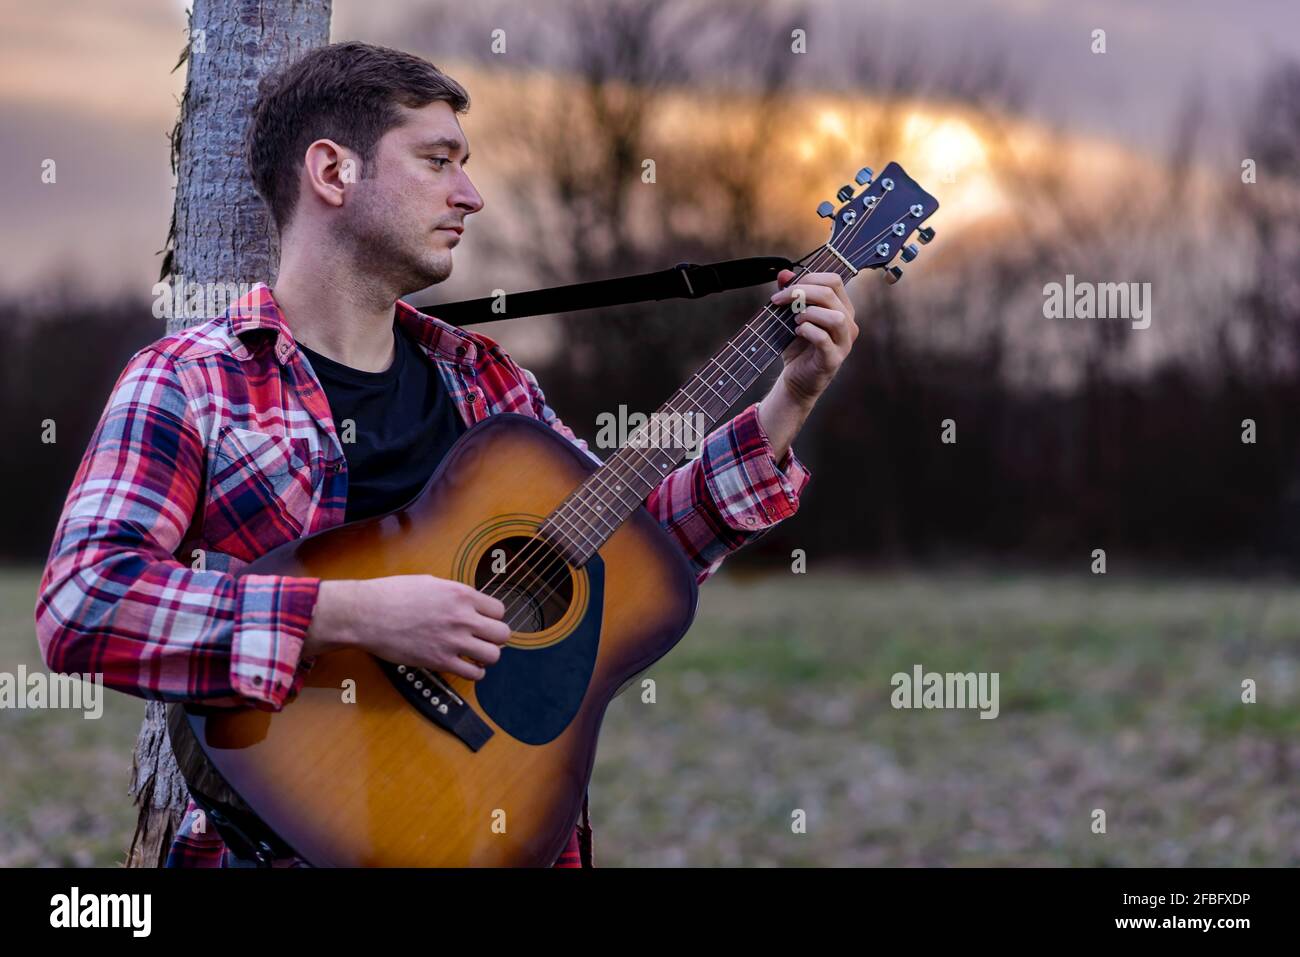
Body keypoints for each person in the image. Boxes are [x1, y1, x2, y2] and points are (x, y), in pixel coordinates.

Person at [35, 40, 857, 867]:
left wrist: (788, 401)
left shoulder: (490, 386)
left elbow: (631, 555)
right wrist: (354, 613)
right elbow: (82, 603)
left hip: (488, 832)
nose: (472, 194)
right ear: (332, 172)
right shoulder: (194, 382)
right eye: (438, 161)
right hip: (273, 846)